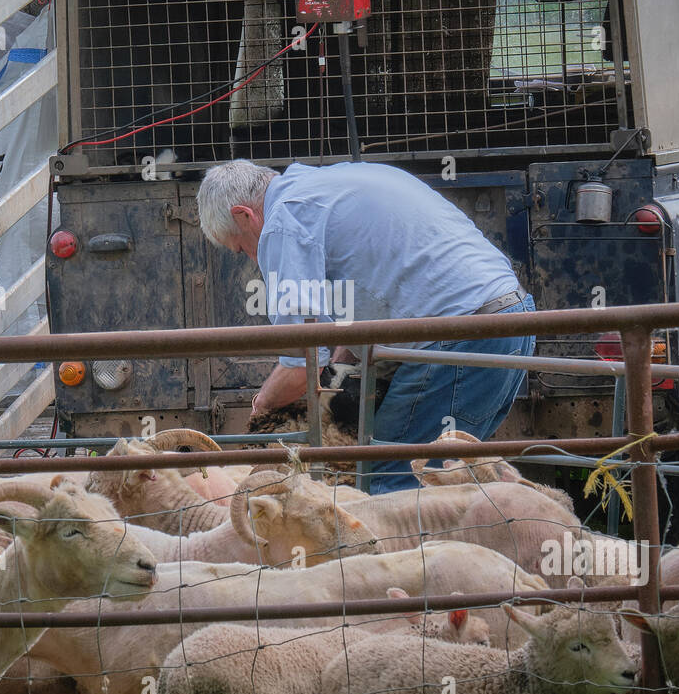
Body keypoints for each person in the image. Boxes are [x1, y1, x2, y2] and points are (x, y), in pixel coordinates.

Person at [196, 159, 537, 494]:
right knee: (454, 477)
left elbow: (302, 361)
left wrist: (264, 405)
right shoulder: (333, 183)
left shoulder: (285, 221)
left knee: (390, 478)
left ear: (244, 215)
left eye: (242, 248)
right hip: (511, 319)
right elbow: (372, 289)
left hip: (461, 337)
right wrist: (346, 354)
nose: (253, 260)